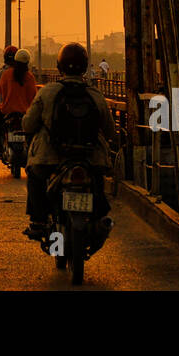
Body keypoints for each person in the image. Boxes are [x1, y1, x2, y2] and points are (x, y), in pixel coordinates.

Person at [22, 42, 117, 240]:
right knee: (97, 181)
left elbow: (28, 124)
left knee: (35, 174)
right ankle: (100, 218)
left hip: (51, 156)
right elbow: (109, 129)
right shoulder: (95, 95)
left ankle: (39, 221)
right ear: (85, 67)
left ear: (59, 66)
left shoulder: (48, 92)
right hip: (90, 156)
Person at [0, 48, 38, 155]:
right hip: (25, 113)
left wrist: (2, 104)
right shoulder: (30, 77)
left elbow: (1, 93)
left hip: (7, 111)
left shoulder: (6, 74)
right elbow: (34, 97)